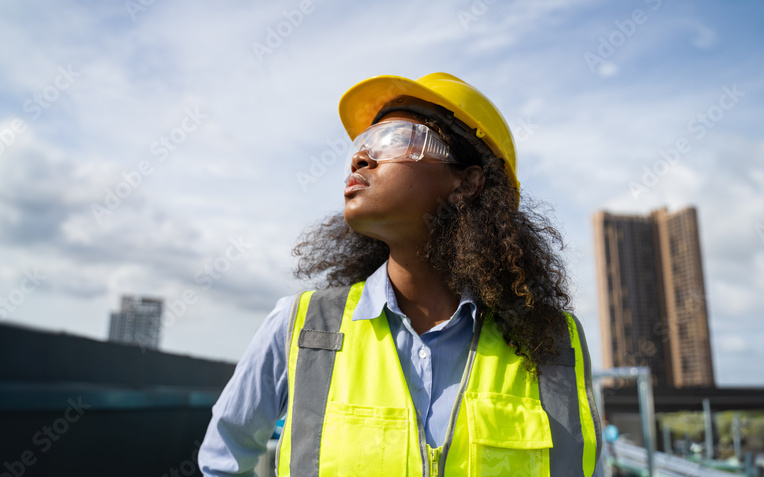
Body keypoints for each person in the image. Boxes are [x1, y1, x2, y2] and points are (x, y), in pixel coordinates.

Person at [199, 72, 601, 476]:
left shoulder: (553, 343)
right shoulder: (299, 327)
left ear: (467, 184)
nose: (360, 158)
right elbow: (222, 462)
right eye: (361, 146)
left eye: (394, 138)